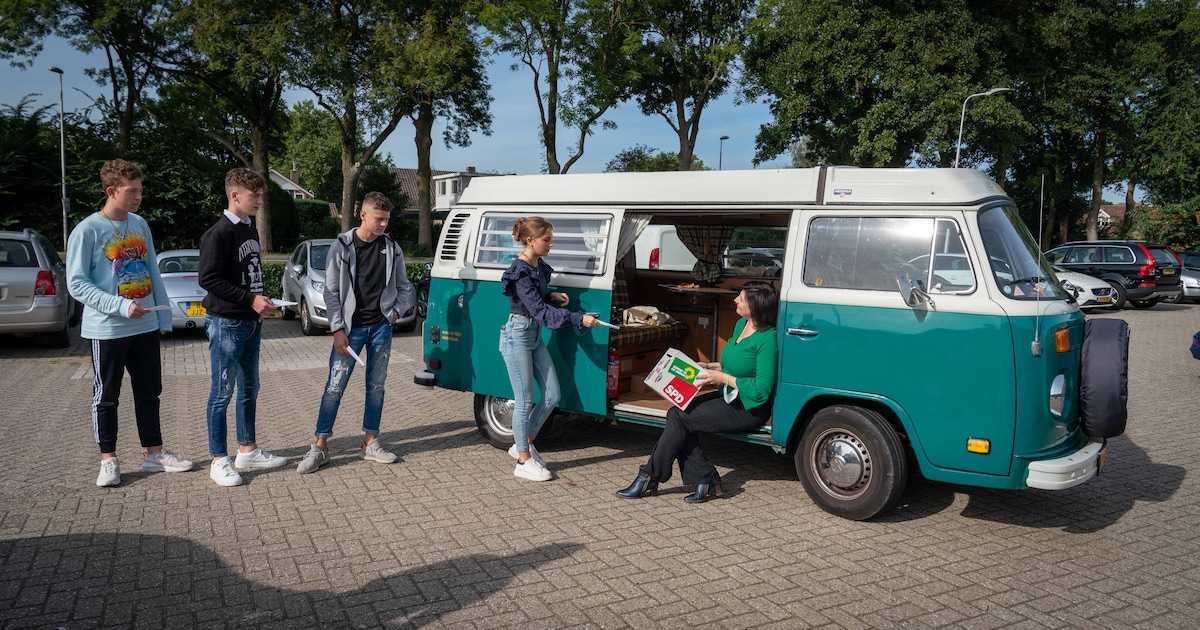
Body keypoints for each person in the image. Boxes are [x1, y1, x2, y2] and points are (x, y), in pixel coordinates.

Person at [66, 159, 195, 487]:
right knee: (106, 395)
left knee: (150, 392)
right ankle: (108, 459)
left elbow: (153, 270)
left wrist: (163, 315)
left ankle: (154, 454)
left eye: (140, 190)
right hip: (108, 329)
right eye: (132, 191)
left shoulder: (139, 224)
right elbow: (77, 284)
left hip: (145, 327)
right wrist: (121, 306)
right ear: (111, 191)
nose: (139, 196)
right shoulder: (87, 230)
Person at [617, 283, 779, 503]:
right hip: (728, 395)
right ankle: (703, 479)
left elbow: (762, 390)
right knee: (678, 414)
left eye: (740, 298)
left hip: (748, 406)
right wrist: (709, 366)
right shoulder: (741, 324)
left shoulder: (768, 339)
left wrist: (721, 378)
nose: (735, 301)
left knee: (680, 418)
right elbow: (734, 364)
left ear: (756, 305)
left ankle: (652, 477)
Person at [296, 192, 415, 474]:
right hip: (350, 331)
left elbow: (405, 287)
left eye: (387, 219)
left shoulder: (391, 247)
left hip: (381, 329)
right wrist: (337, 328)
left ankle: (371, 443)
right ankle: (320, 447)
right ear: (363, 215)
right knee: (334, 387)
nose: (384, 224)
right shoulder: (342, 246)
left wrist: (394, 313)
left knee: (376, 387)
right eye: (379, 219)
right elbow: (331, 291)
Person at [198, 167, 282, 487]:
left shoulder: (251, 230)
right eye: (254, 196)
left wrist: (260, 301)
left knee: (250, 388)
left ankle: (247, 450)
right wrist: (249, 300)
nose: (260, 200)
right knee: (222, 392)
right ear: (235, 195)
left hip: (251, 322)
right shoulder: (218, 233)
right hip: (226, 324)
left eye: (261, 195)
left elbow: (248, 273)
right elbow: (208, 279)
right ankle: (219, 459)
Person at [500, 216, 598, 481]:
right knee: (523, 400)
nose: (551, 244)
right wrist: (579, 318)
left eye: (551, 239)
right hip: (518, 335)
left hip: (532, 335)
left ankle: (524, 443)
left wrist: (550, 293)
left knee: (552, 394)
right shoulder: (519, 269)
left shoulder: (537, 266)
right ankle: (523, 460)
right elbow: (540, 312)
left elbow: (535, 299)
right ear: (530, 240)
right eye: (547, 240)